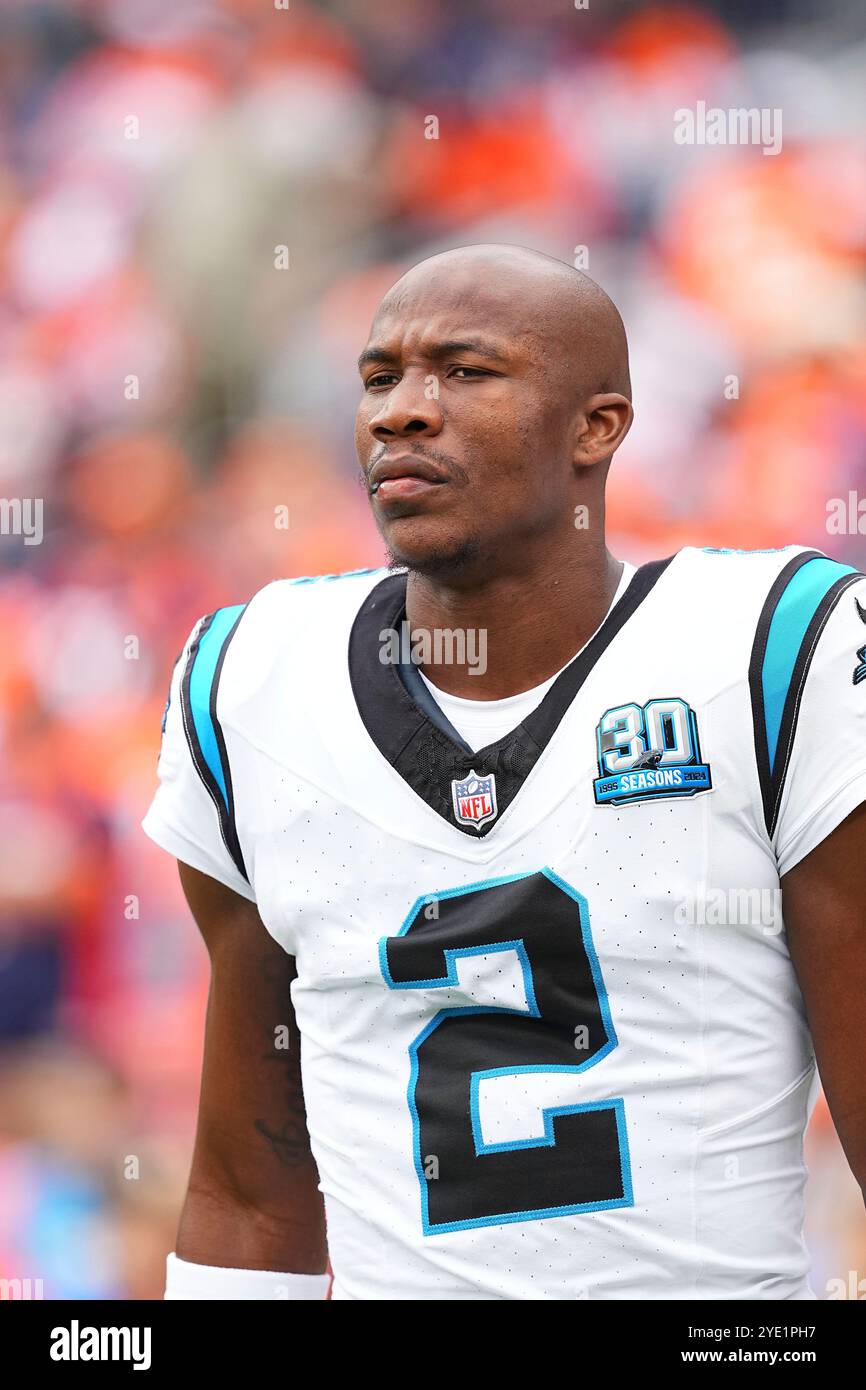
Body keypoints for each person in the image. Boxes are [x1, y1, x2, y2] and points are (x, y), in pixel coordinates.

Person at [143, 244, 866, 1300]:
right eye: (380, 377)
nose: (402, 410)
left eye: (465, 372)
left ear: (597, 424)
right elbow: (252, 1194)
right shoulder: (248, 683)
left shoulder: (769, 653)